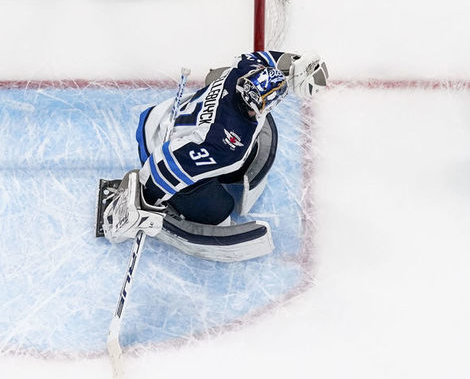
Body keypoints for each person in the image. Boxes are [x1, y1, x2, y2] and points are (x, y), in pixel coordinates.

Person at [99, 51, 328, 251]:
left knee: (234, 165)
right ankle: (173, 205)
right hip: (156, 148)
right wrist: (147, 202)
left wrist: (293, 63)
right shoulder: (227, 145)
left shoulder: (241, 71)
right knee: (220, 211)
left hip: (160, 119)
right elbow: (169, 166)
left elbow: (257, 58)